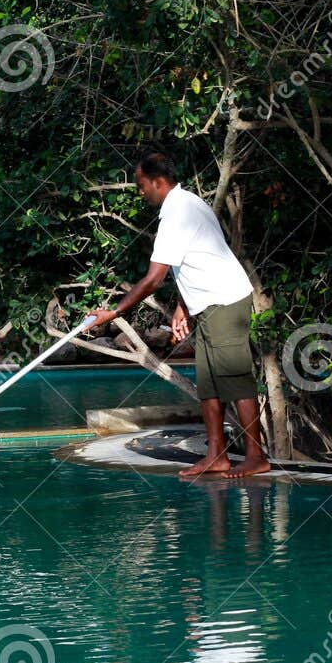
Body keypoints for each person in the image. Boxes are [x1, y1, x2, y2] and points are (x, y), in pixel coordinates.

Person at [88, 152, 269, 478]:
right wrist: (183, 306)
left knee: (236, 380)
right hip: (209, 305)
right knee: (209, 384)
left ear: (158, 182)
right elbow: (199, 257)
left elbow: (154, 279)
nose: (140, 192)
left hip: (225, 302)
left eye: (142, 185)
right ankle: (217, 455)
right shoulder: (189, 203)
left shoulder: (177, 215)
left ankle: (256, 456)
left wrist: (114, 312)